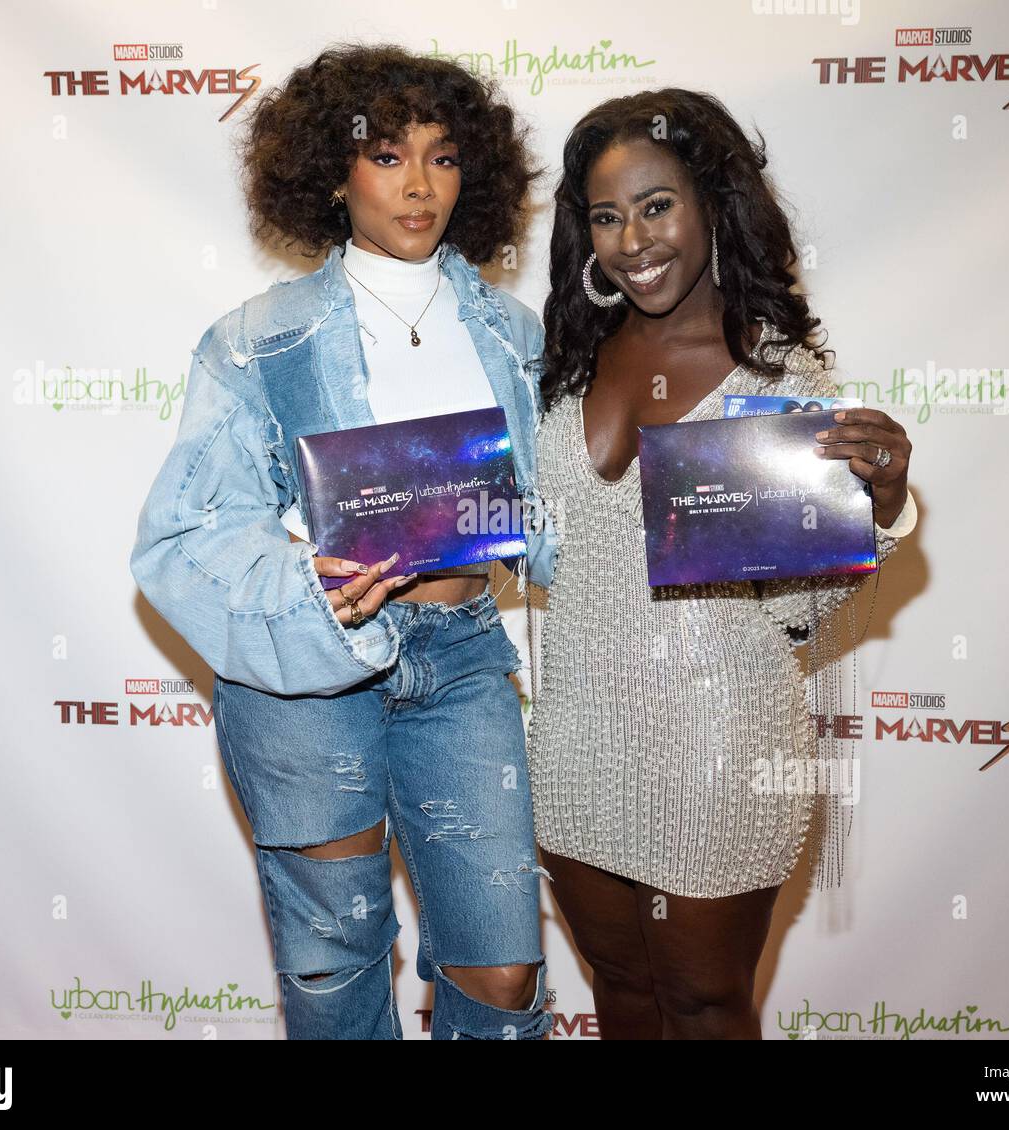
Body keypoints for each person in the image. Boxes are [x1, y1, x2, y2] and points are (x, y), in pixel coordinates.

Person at [129, 43, 557, 1040]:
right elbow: (188, 531)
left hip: (461, 664)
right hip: (304, 682)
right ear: (331, 170)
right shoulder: (255, 337)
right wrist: (301, 580)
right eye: (387, 155)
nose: (418, 184)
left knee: (501, 974)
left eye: (443, 158)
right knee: (334, 979)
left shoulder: (516, 333)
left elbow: (568, 511)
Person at [524, 89, 918, 1039]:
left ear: (712, 205)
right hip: (577, 740)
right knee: (621, 995)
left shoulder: (777, 380)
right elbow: (542, 554)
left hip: (720, 744)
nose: (633, 240)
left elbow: (807, 613)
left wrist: (886, 505)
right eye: (607, 217)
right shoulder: (569, 360)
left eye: (657, 206)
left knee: (706, 1007)